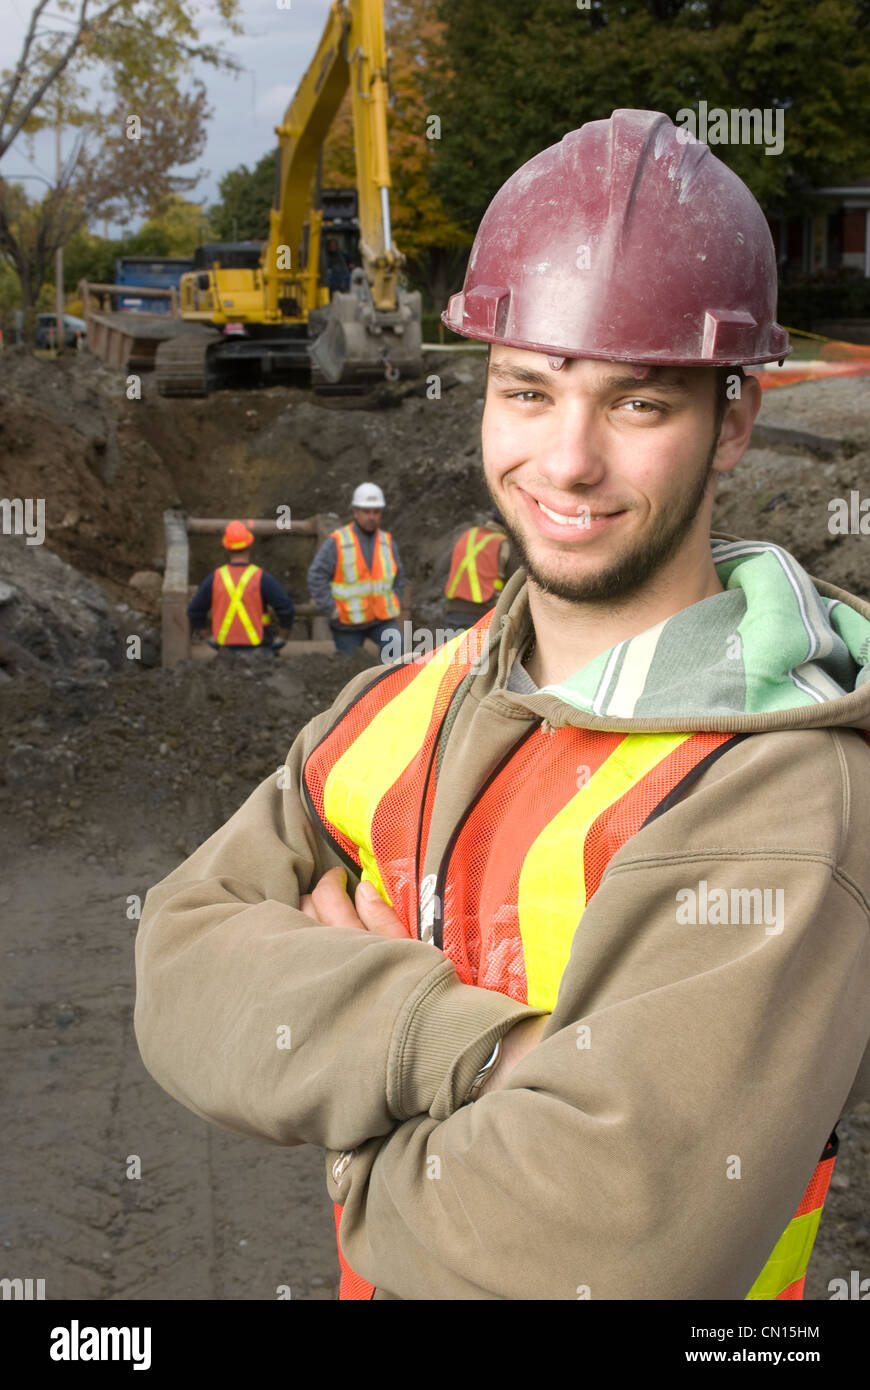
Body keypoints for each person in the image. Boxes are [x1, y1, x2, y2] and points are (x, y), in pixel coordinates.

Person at [135, 110, 870, 1301]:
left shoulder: (783, 791)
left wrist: (355, 1123)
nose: (567, 460)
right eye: (529, 390)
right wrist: (486, 1052)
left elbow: (605, 1249)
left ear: (732, 420)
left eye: (640, 403)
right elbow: (175, 967)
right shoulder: (394, 710)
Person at [307, 483, 405, 659]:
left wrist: (395, 600)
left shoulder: (387, 541)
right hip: (347, 623)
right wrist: (331, 609)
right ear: (355, 512)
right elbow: (316, 575)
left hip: (381, 620)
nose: (372, 517)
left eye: (376, 512)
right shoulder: (337, 541)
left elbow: (399, 577)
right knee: (349, 671)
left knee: (397, 653)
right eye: (367, 512)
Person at [187, 519, 294, 653]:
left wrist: (208, 637)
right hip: (260, 653)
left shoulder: (215, 578)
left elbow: (194, 611)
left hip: (225, 654)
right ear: (250, 545)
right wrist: (282, 637)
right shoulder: (262, 578)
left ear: (226, 547)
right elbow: (286, 608)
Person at [443, 506, 517, 633]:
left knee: (456, 652)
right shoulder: (504, 544)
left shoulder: (468, 535)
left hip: (454, 611)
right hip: (484, 614)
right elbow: (516, 584)